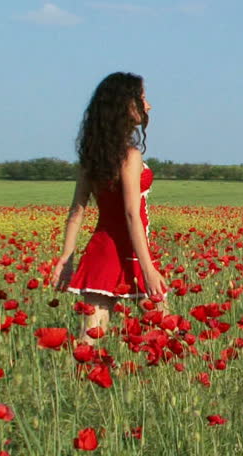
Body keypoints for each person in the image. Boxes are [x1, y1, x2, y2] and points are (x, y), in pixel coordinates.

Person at [50, 72, 168, 344]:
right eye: (141, 99)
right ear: (123, 105)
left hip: (101, 251)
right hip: (131, 253)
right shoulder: (130, 156)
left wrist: (67, 258)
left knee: (88, 340)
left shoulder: (91, 157)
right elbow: (131, 213)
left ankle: (78, 385)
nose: (148, 106)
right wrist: (148, 268)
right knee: (166, 336)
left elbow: (77, 211)